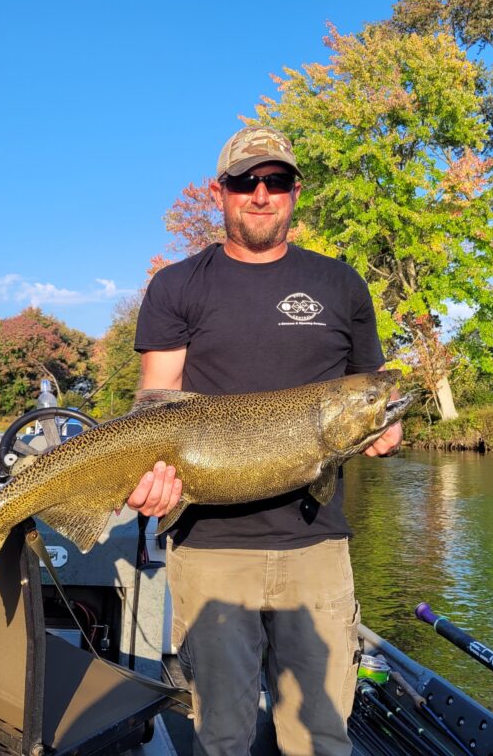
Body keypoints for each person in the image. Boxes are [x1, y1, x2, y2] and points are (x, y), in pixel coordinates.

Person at [130, 125, 402, 756]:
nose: (260, 194)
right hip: (209, 549)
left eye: (275, 181)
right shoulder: (176, 285)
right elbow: (153, 405)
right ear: (219, 193)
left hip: (317, 547)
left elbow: (373, 392)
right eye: (244, 182)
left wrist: (388, 426)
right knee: (222, 734)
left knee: (320, 737)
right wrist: (146, 480)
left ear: (294, 192)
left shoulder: (341, 285)